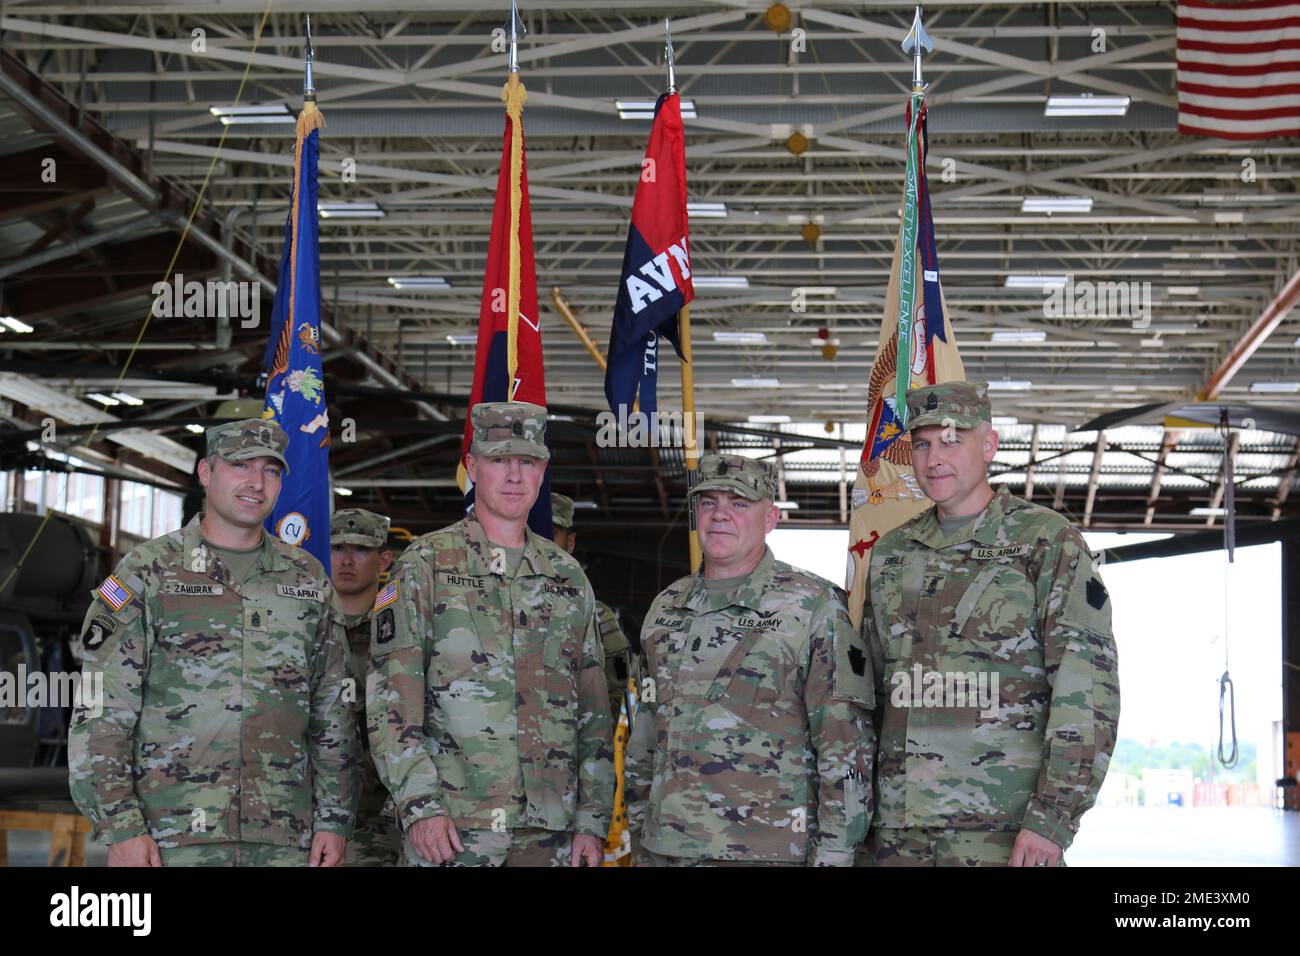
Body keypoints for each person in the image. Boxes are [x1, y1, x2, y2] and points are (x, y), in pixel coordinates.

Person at [68, 419, 357, 867]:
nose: (255, 483)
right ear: (206, 472)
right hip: (171, 836)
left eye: (271, 470)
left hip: (285, 835)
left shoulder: (306, 577)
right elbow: (100, 706)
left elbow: (331, 708)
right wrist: (120, 825)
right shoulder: (148, 571)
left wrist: (335, 819)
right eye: (240, 465)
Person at [860, 381, 1120, 867]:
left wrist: (1052, 819)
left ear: (989, 445)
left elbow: (1085, 691)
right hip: (896, 831)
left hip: (1001, 829)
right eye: (922, 444)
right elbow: (869, 695)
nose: (934, 458)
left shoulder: (1047, 542)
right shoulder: (891, 553)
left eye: (952, 440)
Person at [366, 401, 615, 867]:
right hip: (453, 829)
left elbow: (593, 711)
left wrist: (592, 821)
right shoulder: (425, 565)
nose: (515, 475)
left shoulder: (568, 576)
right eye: (500, 460)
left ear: (543, 473)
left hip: (552, 833)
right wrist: (419, 807)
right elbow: (390, 702)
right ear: (472, 467)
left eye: (528, 462)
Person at [625, 453, 874, 866]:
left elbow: (845, 743)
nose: (721, 515)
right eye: (709, 503)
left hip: (770, 850)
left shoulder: (813, 605)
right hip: (667, 849)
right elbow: (646, 735)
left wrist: (836, 850)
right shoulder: (666, 609)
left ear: (771, 517)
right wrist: (640, 831)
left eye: (739, 504)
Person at [330, 508, 402, 866]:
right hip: (305, 817)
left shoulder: (401, 634)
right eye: (337, 548)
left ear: (384, 558)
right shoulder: (302, 629)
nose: (345, 559)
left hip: (380, 823)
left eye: (360, 550)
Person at [550, 492, 634, 717]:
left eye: (552, 533)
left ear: (570, 542)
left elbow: (617, 680)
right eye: (534, 533)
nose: (542, 542)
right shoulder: (503, 605)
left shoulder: (596, 616)